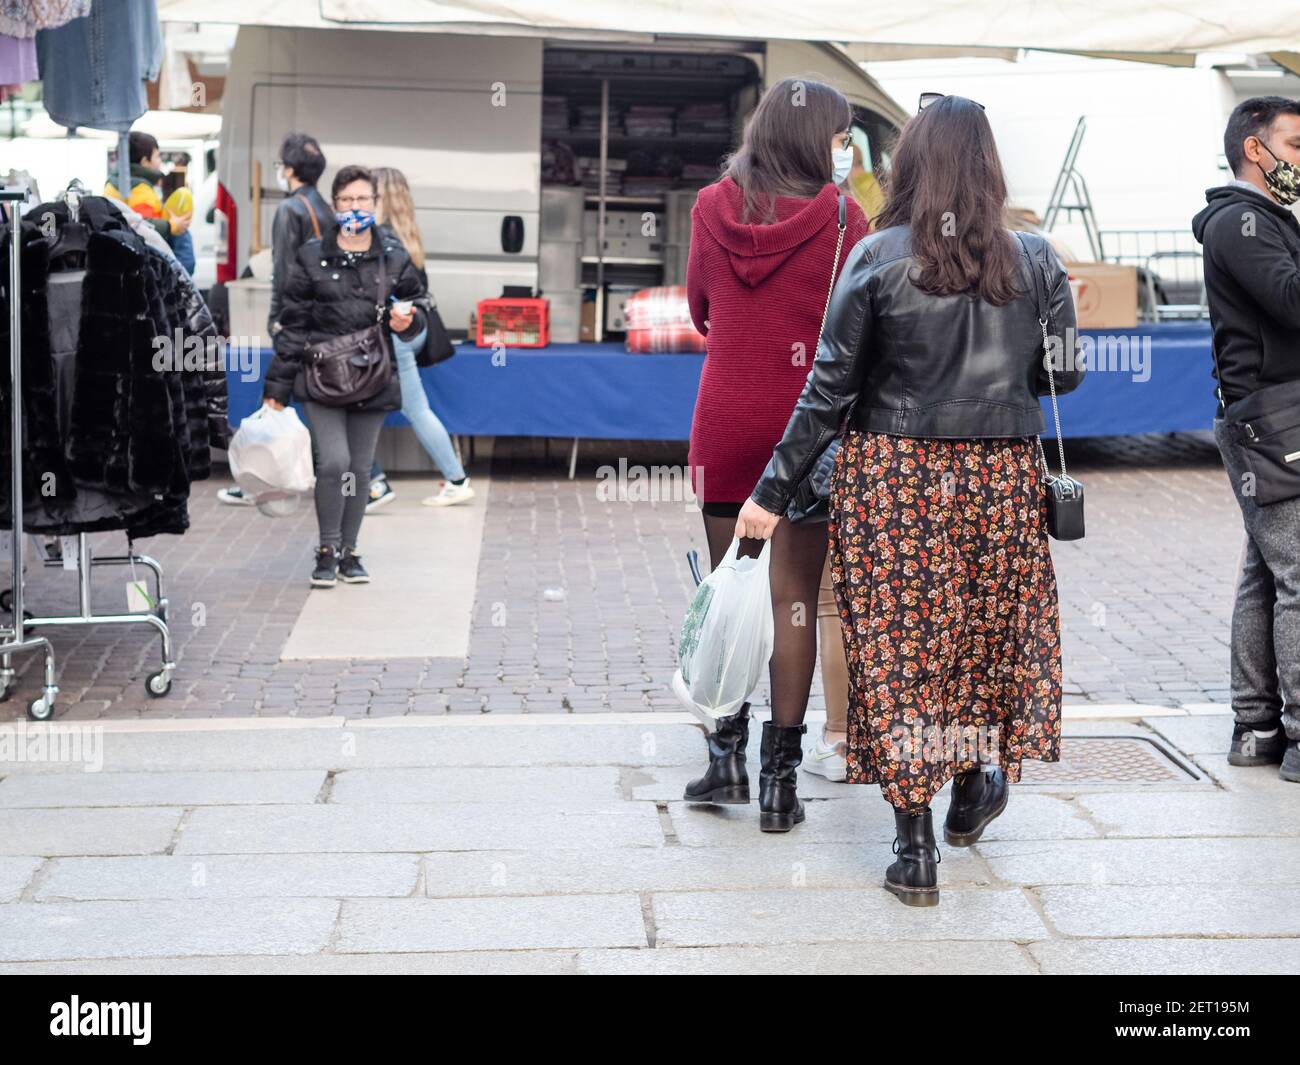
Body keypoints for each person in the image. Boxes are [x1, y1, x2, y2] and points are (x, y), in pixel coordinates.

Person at [736, 95, 1084, 906]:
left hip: (895, 477)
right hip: (997, 477)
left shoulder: (875, 255)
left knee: (897, 650)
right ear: (990, 165)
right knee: (973, 638)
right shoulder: (1036, 259)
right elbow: (1065, 374)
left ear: (909, 164)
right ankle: (971, 780)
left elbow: (828, 390)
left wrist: (770, 492)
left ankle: (913, 847)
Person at [682, 78, 870, 829]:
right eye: (840, 135)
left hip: (724, 422)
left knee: (727, 590)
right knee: (794, 599)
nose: (844, 149)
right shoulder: (844, 219)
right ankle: (780, 784)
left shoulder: (708, 207)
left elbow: (700, 309)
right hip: (808, 432)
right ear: (819, 140)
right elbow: (856, 329)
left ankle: (722, 754)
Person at [1192, 96, 1300, 783]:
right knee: (1298, 577)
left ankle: (1256, 726)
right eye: (1295, 145)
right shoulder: (1242, 223)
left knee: (1267, 572)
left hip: (1272, 413)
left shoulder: (1264, 220)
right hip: (1273, 418)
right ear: (1254, 150)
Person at [262, 165, 428, 587]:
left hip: (372, 374)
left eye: (363, 200)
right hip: (321, 377)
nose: (355, 207)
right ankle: (326, 548)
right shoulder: (311, 255)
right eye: (347, 200)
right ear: (334, 205)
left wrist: (407, 320)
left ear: (375, 204)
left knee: (357, 468)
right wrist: (277, 390)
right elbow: (293, 324)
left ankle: (349, 551)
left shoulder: (393, 254)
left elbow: (420, 308)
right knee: (333, 461)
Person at [219, 131, 338, 508]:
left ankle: (259, 477)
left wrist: (277, 319)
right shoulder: (323, 208)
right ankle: (364, 478)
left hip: (295, 317)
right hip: (321, 317)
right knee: (312, 397)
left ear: (288, 169)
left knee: (275, 396)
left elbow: (284, 270)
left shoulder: (290, 210)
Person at [372, 167, 474, 507]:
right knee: (404, 406)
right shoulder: (407, 233)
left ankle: (453, 479)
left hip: (399, 329)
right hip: (418, 327)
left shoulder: (380, 236)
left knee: (412, 409)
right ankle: (450, 478)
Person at [105, 131, 194, 272]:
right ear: (145, 161)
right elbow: (143, 228)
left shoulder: (111, 184)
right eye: (157, 156)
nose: (160, 162)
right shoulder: (140, 189)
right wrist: (171, 226)